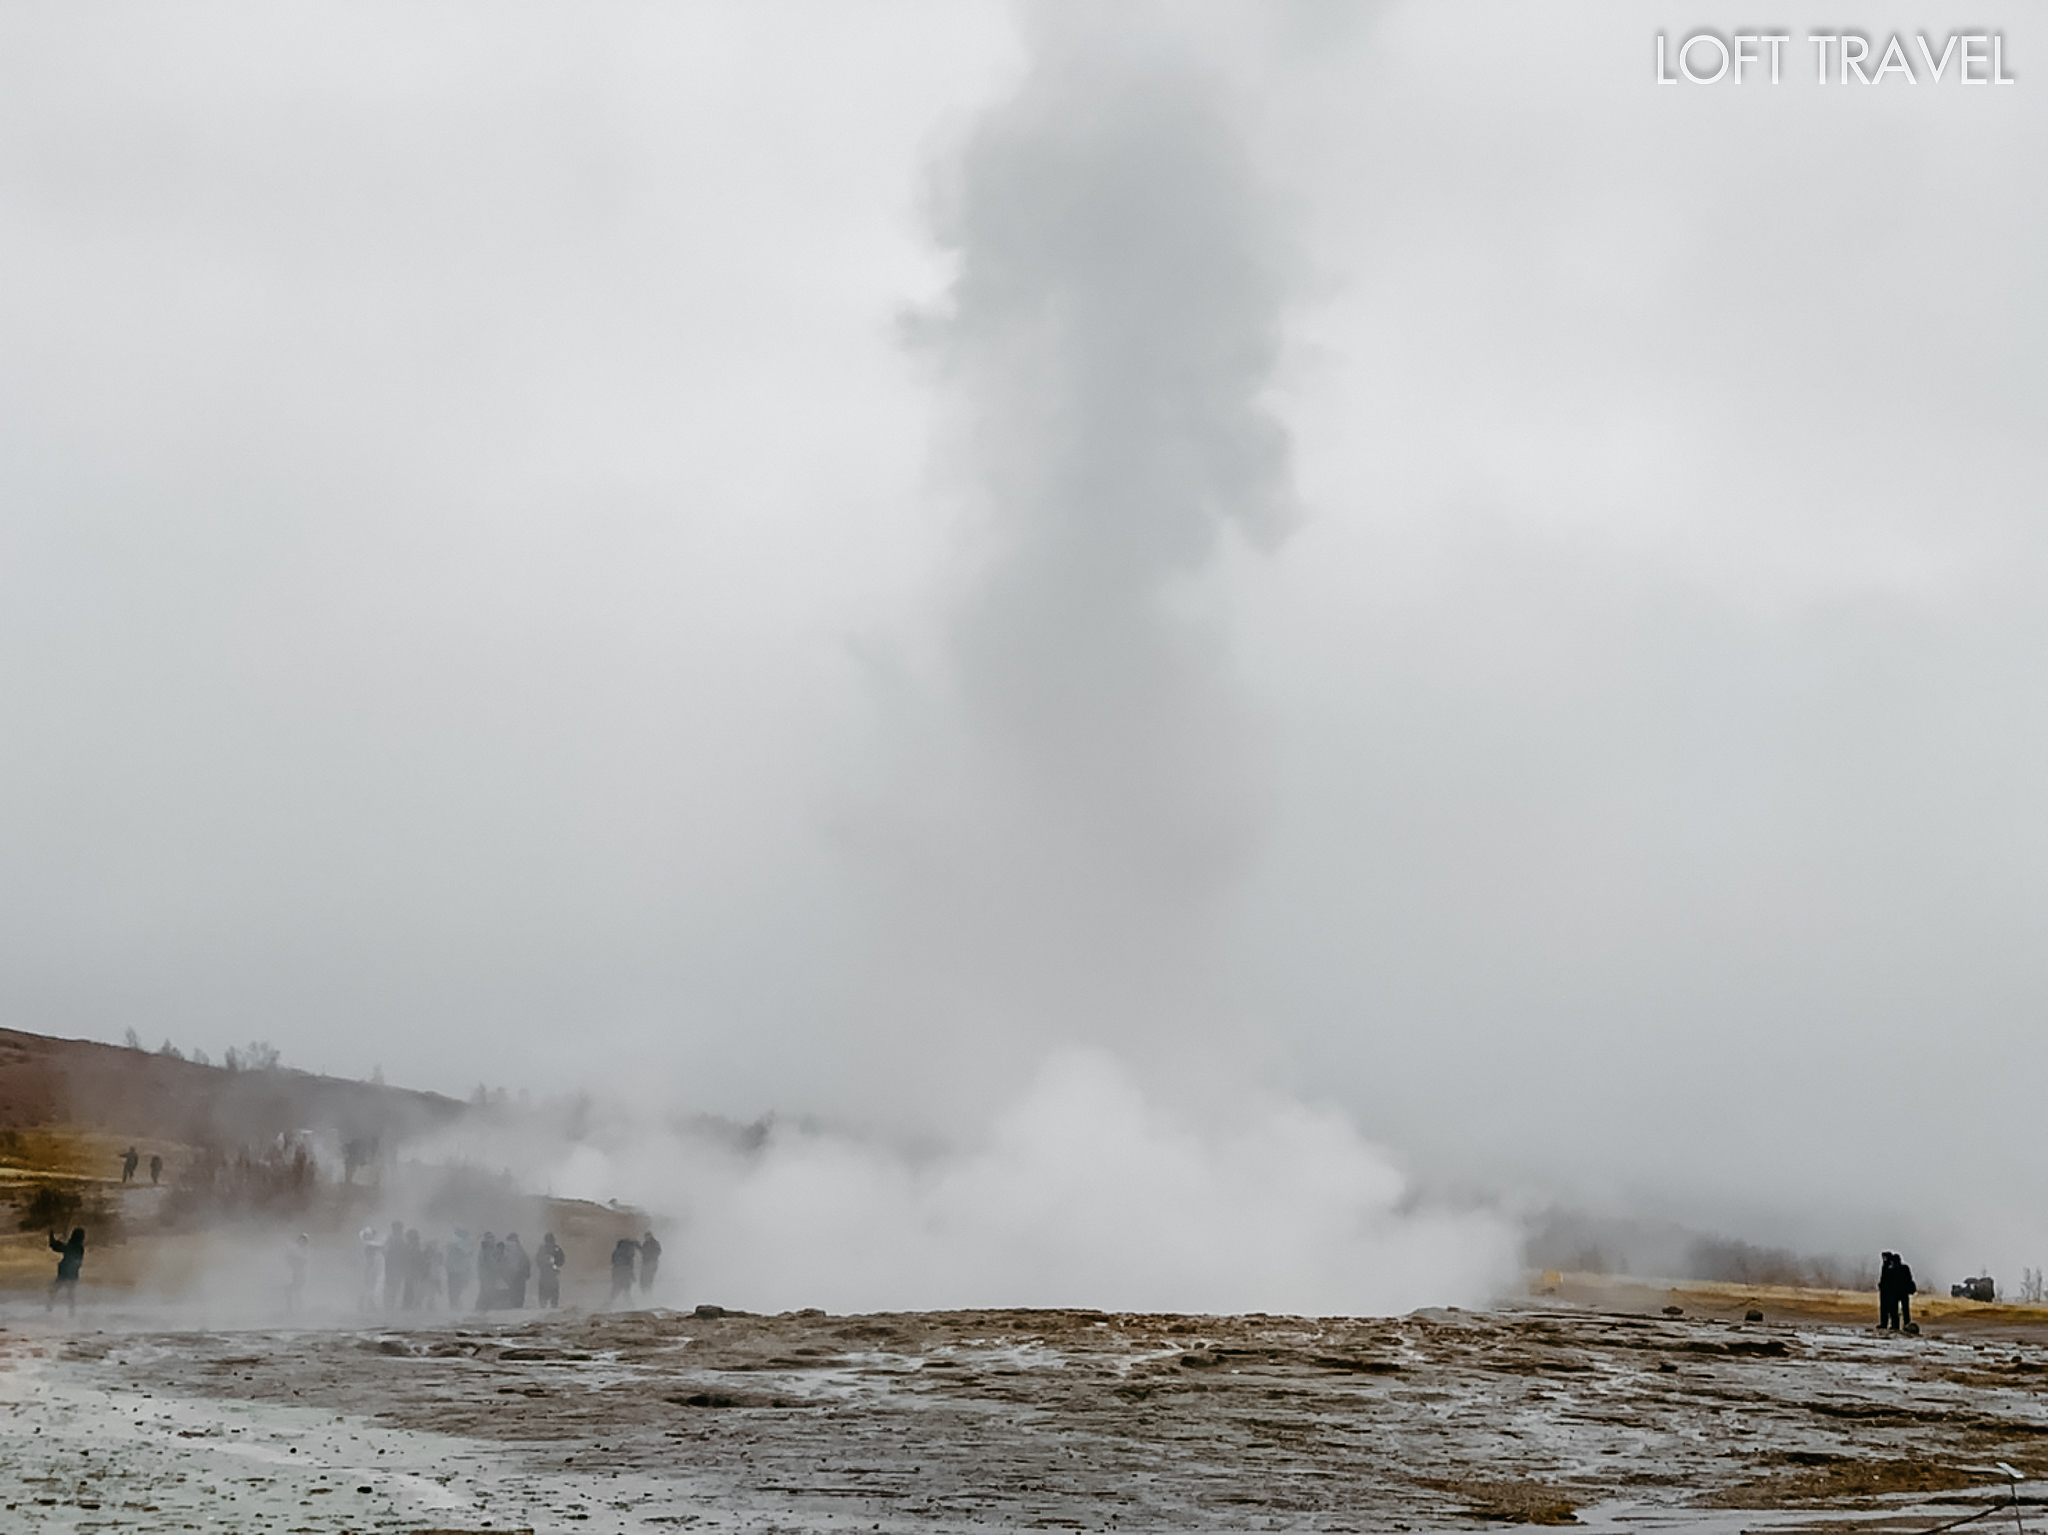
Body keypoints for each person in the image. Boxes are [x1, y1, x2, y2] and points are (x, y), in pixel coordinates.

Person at [48, 1227, 86, 1313]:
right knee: (70, 1294)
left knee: (54, 1290)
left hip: (64, 1274)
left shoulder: (72, 1246)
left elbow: (57, 1247)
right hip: (73, 1274)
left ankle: (49, 1308)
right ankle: (71, 1312)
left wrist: (51, 1236)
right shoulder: (79, 1247)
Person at [445, 1227, 473, 1309]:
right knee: (457, 1287)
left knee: (452, 1288)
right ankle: (455, 1304)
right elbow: (466, 1252)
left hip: (452, 1269)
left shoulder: (452, 1241)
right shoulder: (458, 1241)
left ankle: (453, 1304)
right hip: (457, 1269)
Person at [536, 1233, 565, 1309]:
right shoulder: (555, 1248)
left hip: (548, 1273)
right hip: (550, 1273)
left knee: (546, 1289)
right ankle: (551, 1303)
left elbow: (538, 1260)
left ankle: (545, 1303)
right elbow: (561, 1260)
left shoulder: (544, 1249)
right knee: (553, 1289)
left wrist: (554, 1263)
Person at [382, 1220, 406, 1309]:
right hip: (392, 1266)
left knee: (394, 1285)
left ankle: (390, 1303)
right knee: (391, 1285)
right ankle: (389, 1303)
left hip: (394, 1266)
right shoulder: (393, 1239)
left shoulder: (394, 1239)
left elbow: (384, 1251)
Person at [609, 1237, 639, 1306]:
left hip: (617, 1272)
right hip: (625, 1272)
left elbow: (613, 1262)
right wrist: (632, 1276)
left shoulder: (616, 1251)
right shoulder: (628, 1252)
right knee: (626, 1289)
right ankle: (629, 1304)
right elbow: (630, 1265)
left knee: (616, 1288)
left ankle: (611, 1303)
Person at [284, 1233, 310, 1313]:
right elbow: (289, 1260)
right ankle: (293, 1309)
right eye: (300, 1240)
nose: (301, 1242)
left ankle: (296, 1310)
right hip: (296, 1274)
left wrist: (293, 1254)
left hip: (301, 1275)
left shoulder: (304, 1250)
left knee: (294, 1291)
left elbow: (303, 1260)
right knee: (294, 1292)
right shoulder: (297, 1250)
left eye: (303, 1240)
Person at [505, 1234, 532, 1309]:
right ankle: (513, 1304)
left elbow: (526, 1262)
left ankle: (518, 1305)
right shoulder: (506, 1251)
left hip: (520, 1275)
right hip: (511, 1274)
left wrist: (527, 1272)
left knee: (520, 1291)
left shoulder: (521, 1251)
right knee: (513, 1290)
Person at [1895, 1254, 1917, 1331]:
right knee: (1905, 1309)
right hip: (1904, 1292)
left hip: (1895, 1292)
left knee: (1894, 1309)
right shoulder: (1905, 1268)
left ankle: (1895, 1325)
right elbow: (1909, 1278)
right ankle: (1907, 1323)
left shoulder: (1892, 1269)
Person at [1878, 1252, 1899, 1330]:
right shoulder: (1885, 1266)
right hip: (1884, 1290)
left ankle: (1894, 1325)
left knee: (1892, 1308)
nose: (1884, 1259)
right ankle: (1884, 1323)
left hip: (1891, 1291)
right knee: (1884, 1308)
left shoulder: (1892, 1266)